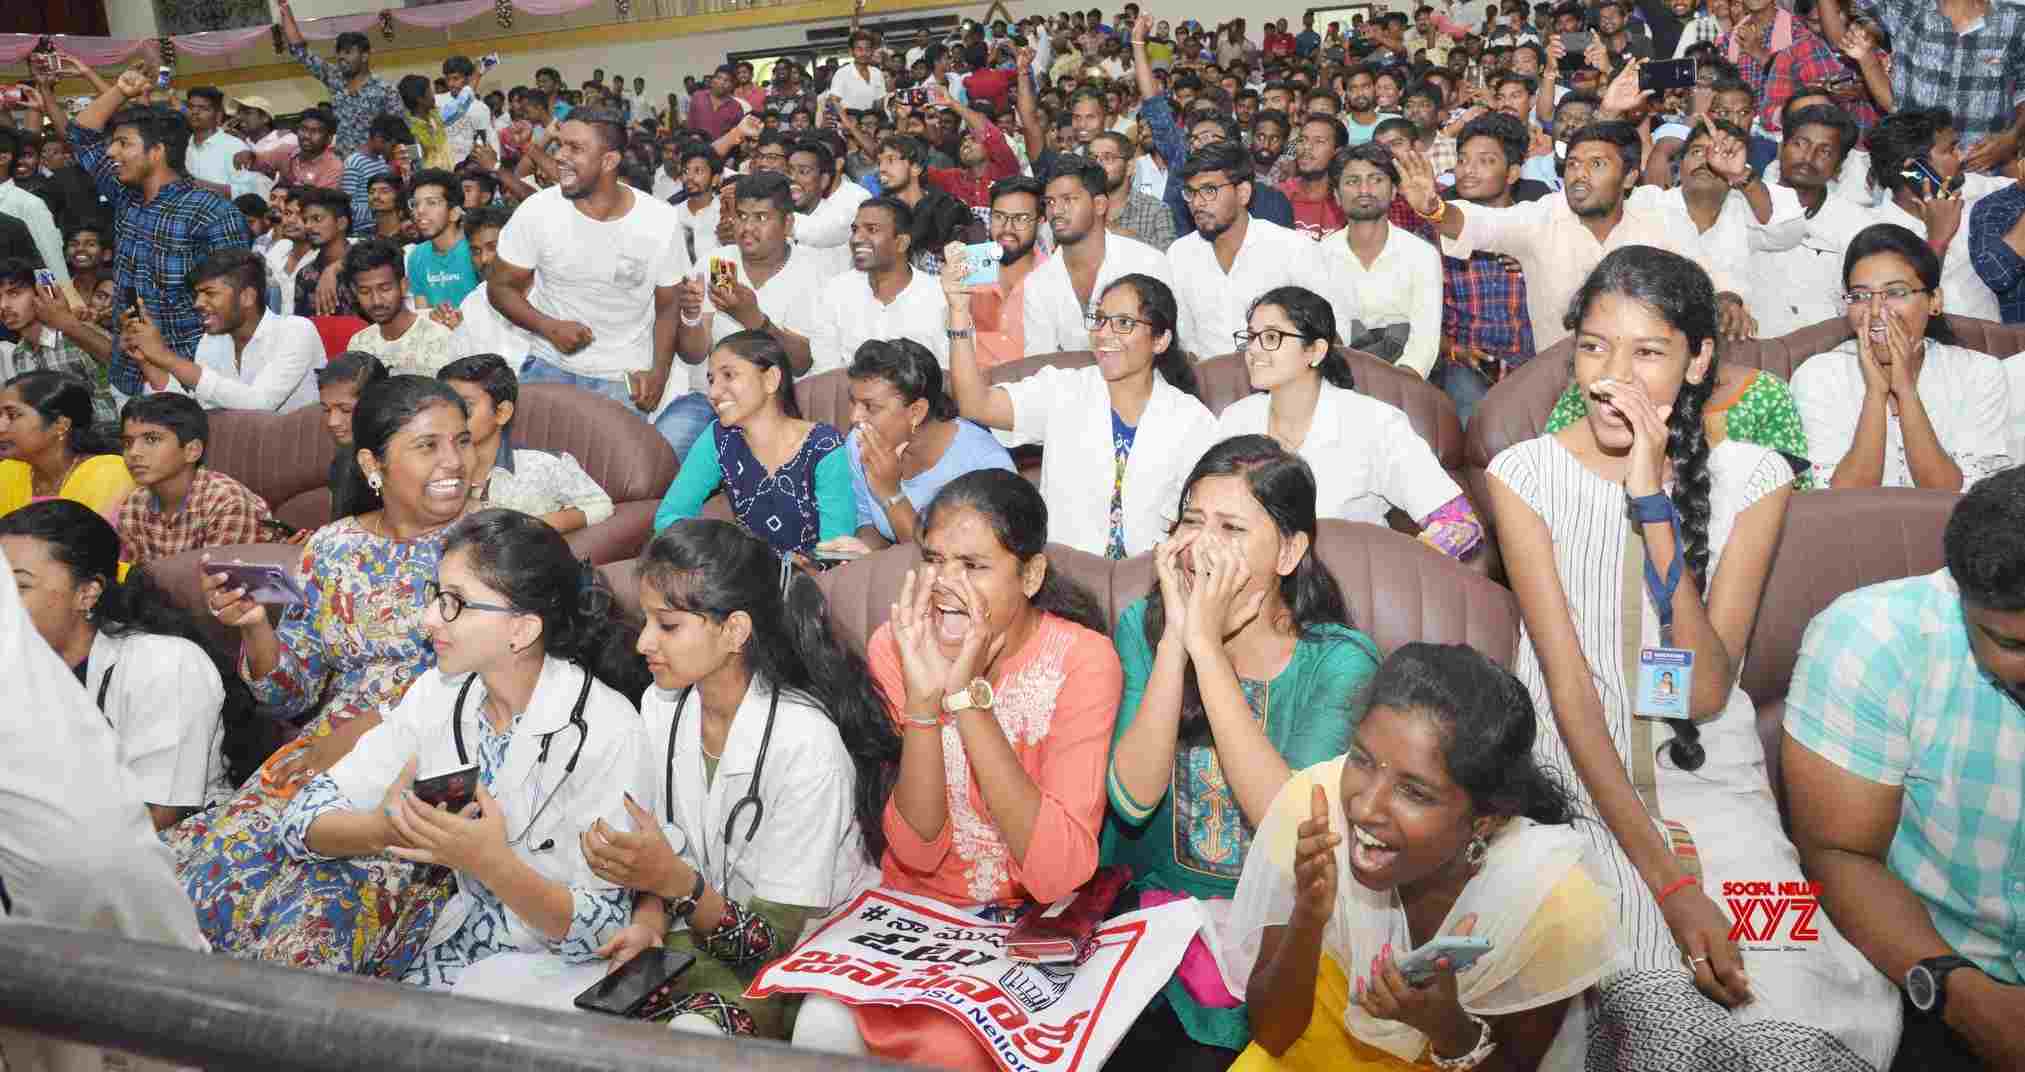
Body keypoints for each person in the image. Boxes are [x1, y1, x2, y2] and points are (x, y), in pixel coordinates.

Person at [1486, 246, 1898, 1067]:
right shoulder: (1522, 474)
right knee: (1648, 1018)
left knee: (1787, 1003)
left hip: (1711, 779)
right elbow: (1569, 694)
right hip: (1576, 783)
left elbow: (1704, 688)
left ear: (1698, 360)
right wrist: (1672, 885)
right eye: (1594, 347)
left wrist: (1652, 505)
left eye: (1647, 352)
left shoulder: (1754, 476)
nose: (1612, 378)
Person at [790, 469, 1124, 1068]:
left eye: (973, 566)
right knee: (819, 1021)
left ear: (1030, 576)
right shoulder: (898, 645)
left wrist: (968, 700)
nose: (947, 584)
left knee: (951, 1047)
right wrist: (925, 703)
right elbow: (917, 852)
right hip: (917, 915)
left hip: (1027, 925)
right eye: (935, 560)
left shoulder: (1084, 660)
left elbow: (1057, 873)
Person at [536, 518, 903, 1036]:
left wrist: (673, 883)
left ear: (734, 631)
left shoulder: (805, 743)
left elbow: (767, 943)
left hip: (800, 955)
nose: (643, 642)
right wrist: (648, 922)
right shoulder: (661, 706)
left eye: (667, 626)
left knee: (696, 1036)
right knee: (576, 1024)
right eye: (646, 620)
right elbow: (660, 846)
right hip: (703, 931)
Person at [169, 375, 476, 975]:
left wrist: (373, 728)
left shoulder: (492, 544)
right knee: (193, 885)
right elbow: (290, 695)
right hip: (319, 757)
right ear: (372, 465)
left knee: (308, 931)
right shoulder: (333, 548)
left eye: (462, 441)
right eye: (428, 445)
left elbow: (512, 680)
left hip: (437, 766)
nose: (454, 462)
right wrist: (255, 627)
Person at [275, 507, 647, 992]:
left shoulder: (608, 728)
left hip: (548, 972)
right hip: (447, 946)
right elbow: (300, 820)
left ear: (522, 630)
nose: (429, 618)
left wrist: (490, 863)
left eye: (454, 602)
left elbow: (605, 930)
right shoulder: (439, 693)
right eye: (436, 595)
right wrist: (382, 830)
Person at [1104, 436, 1381, 1066]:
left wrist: (1207, 650)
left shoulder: (1339, 662)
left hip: (1281, 943)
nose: (1201, 546)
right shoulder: (1143, 629)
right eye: (1192, 522)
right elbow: (1132, 800)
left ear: (1288, 552)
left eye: (1231, 528)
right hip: (1156, 937)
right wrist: (1176, 641)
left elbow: (1291, 831)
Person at [1226, 642, 1616, 1072]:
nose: (1364, 808)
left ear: (1485, 819)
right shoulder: (1316, 812)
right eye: (1362, 760)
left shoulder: (1550, 902)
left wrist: (1449, 1029)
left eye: (1413, 792)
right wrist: (1307, 916)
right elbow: (1273, 1034)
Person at [1783, 468, 2025, 1071]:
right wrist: (1964, 998)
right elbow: (1839, 856)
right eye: (2014, 646)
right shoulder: (1873, 641)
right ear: (1962, 596)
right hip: (1933, 971)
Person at [0, 533, 207, 1072]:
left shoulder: (163, 662)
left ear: (88, 593)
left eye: (24, 584)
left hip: (111, 888)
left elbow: (108, 842)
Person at [1395, 111, 1765, 351]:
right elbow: (1479, 224)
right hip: (1559, 382)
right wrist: (1434, 208)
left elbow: (1706, 272)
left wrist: (1727, 300)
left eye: (1596, 164)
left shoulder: (1656, 217)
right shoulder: (1542, 218)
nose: (1580, 174)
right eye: (1572, 164)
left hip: (1643, 378)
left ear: (1629, 178)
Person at [948, 265, 1215, 559]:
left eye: (1123, 323)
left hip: (1150, 574)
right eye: (1099, 320)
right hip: (1066, 571)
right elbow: (975, 404)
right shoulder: (1062, 390)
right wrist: (959, 313)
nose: (1104, 334)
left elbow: (1197, 521)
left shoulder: (1192, 419)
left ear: (1160, 340)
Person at [489, 108, 701, 457]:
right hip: (549, 366)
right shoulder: (537, 212)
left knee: (610, 480)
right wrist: (548, 327)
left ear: (609, 161)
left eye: (575, 148)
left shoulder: (658, 221)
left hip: (622, 376)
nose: (560, 156)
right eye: (560, 145)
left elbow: (668, 306)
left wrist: (658, 374)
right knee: (527, 474)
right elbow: (499, 287)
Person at [1214, 288, 1484, 560]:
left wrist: (1389, 574)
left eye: (1271, 337)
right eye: (1251, 337)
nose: (1253, 350)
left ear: (1316, 351)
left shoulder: (1374, 423)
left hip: (1350, 580)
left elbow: (1461, 526)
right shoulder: (1236, 420)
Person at [59, 74, 252, 402]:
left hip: (188, 380)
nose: (111, 151)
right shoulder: (126, 197)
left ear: (157, 152)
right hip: (129, 374)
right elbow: (81, 135)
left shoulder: (211, 212)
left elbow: (236, 304)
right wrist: (120, 91)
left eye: (123, 143)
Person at [1792, 223, 2013, 490]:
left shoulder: (1978, 373)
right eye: (1860, 295)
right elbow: (1841, 501)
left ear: (1934, 301)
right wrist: (1875, 394)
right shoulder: (1819, 376)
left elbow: (1959, 498)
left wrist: (1906, 392)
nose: (1876, 310)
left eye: (1895, 293)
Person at [652, 331, 850, 560]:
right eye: (711, 380)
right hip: (744, 574)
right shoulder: (720, 438)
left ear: (770, 379)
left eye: (728, 375)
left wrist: (799, 569)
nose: (713, 393)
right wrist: (723, 552)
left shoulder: (824, 446)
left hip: (814, 579)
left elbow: (837, 552)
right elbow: (668, 518)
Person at [821, 338, 1013, 555]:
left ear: (916, 412)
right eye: (853, 402)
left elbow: (938, 559)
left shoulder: (983, 463)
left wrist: (891, 494)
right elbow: (869, 521)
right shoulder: (859, 444)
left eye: (870, 407)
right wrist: (865, 550)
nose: (855, 417)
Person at [1166, 143, 1329, 361]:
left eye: (1209, 190)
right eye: (1191, 192)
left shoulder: (1293, 249)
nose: (1197, 203)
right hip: (1207, 377)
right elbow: (1185, 339)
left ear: (1243, 193)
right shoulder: (1180, 254)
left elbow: (1328, 331)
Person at [125, 248, 323, 412]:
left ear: (247, 297)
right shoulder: (211, 341)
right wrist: (148, 361)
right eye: (197, 295)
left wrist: (165, 356)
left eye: (209, 293)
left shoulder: (296, 331)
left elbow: (260, 404)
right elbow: (197, 412)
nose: (197, 303)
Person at [437, 355, 612, 535]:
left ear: (502, 413)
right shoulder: (430, 467)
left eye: (465, 406)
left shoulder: (543, 465)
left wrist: (534, 526)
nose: (451, 417)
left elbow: (599, 505)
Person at [678, 173, 825, 386]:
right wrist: (691, 317)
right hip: (712, 395)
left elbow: (800, 365)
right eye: (741, 216)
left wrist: (755, 320)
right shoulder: (720, 263)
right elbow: (694, 356)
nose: (747, 227)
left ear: (787, 223)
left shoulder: (810, 271)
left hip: (777, 398)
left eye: (761, 218)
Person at [1314, 145, 1444, 377]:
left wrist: (1396, 386)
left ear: (1394, 191)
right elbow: (1330, 334)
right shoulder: (1320, 256)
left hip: (1407, 379)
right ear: (1336, 196)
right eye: (1352, 181)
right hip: (1342, 375)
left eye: (1376, 180)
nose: (1364, 190)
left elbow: (1424, 344)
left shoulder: (1421, 254)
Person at [1022, 160, 1173, 356]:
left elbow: (1169, 346)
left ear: (1099, 205)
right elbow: (1040, 363)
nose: (1056, 211)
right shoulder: (1037, 283)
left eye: (1068, 199)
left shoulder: (1147, 263)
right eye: (1050, 202)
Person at [115, 393, 275, 567]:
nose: (134, 453)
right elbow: (139, 579)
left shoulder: (228, 502)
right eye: (128, 443)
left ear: (192, 451)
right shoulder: (133, 506)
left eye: (151, 439)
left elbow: (223, 580)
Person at [806, 198, 949, 375]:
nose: (856, 238)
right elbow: (827, 371)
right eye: (855, 230)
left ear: (901, 243)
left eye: (872, 229)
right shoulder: (834, 292)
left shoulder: (940, 296)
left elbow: (948, 373)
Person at [0, 256, 119, 428]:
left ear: (42, 293)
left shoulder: (80, 336)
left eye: (14, 293)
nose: (3, 305)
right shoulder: (19, 354)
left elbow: (118, 391)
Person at [276, 2, 405, 158]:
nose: (341, 57)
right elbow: (300, 51)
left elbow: (401, 133)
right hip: (342, 163)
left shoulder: (385, 90)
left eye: (348, 52)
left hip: (374, 166)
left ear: (365, 56)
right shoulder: (335, 79)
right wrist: (285, 9)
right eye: (339, 52)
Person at [0, 370, 131, 521]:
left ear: (60, 425)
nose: (1, 427)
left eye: (13, 416)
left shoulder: (108, 473)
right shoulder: (7, 472)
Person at [344, 239, 456, 377]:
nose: (376, 301)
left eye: (385, 289)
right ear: (354, 292)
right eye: (365, 292)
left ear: (404, 286)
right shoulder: (359, 344)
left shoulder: (438, 338)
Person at [314, 351, 389, 513]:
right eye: (326, 410)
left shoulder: (399, 461)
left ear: (377, 405)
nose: (332, 422)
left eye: (346, 410)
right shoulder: (343, 460)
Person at [404, 168, 480, 312]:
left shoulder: (476, 249)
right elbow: (423, 314)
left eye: (431, 203)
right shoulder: (417, 257)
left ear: (454, 213)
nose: (420, 211)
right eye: (415, 204)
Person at [180, 86, 257, 202]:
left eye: (203, 108)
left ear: (218, 115)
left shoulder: (235, 147)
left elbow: (249, 192)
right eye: (190, 107)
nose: (195, 112)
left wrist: (201, 186)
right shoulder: (180, 146)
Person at [292, 187, 356, 318]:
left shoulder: (366, 263)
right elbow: (302, 325)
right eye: (305, 220)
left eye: (317, 219)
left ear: (341, 223)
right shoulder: (305, 275)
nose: (308, 226)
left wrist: (333, 269)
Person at [341, 116, 403, 239]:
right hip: (363, 231)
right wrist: (378, 210)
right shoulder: (354, 163)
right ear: (378, 139)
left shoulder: (381, 161)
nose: (392, 149)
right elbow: (347, 205)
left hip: (383, 224)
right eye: (391, 144)